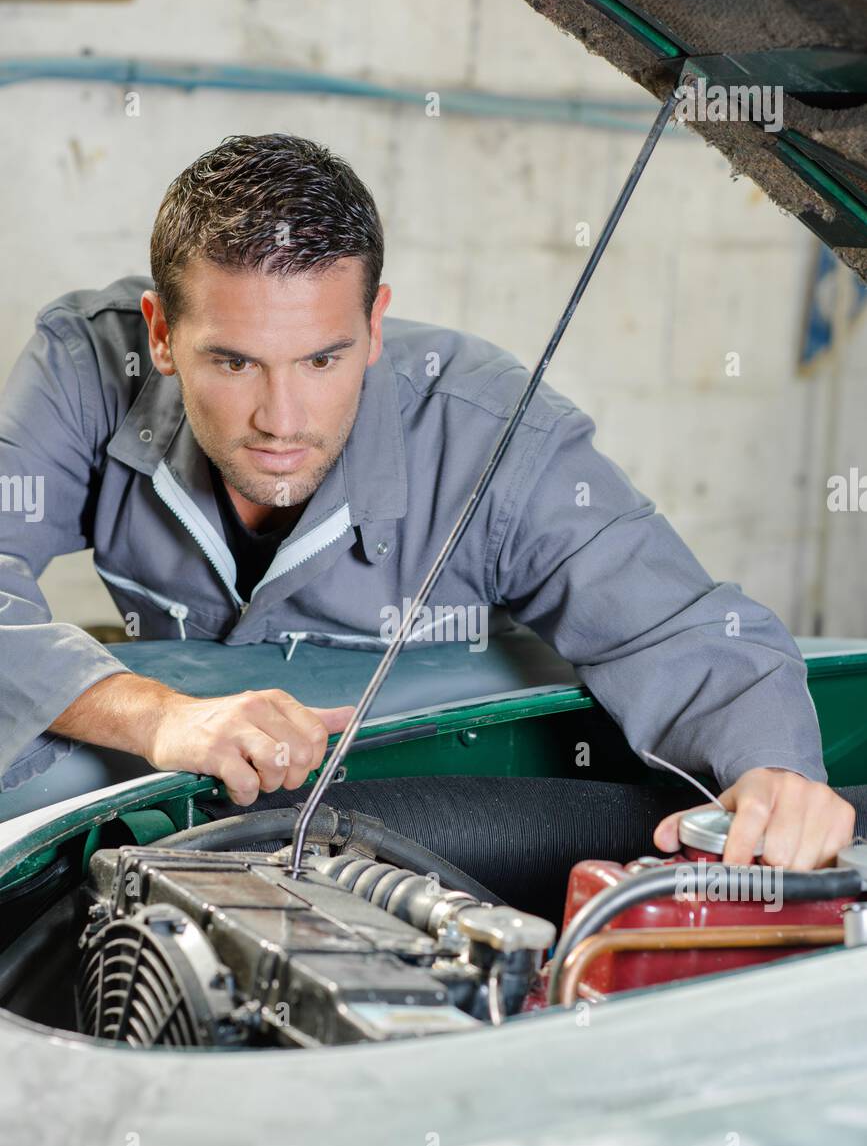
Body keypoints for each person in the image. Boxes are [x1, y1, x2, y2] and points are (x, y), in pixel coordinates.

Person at [0, 133, 853, 868]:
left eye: (322, 360)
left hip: (433, 803)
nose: (280, 420)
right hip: (178, 797)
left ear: (375, 325)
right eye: (234, 363)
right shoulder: (86, 368)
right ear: (159, 333)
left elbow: (675, 625)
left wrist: (774, 774)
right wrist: (155, 716)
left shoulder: (492, 433)